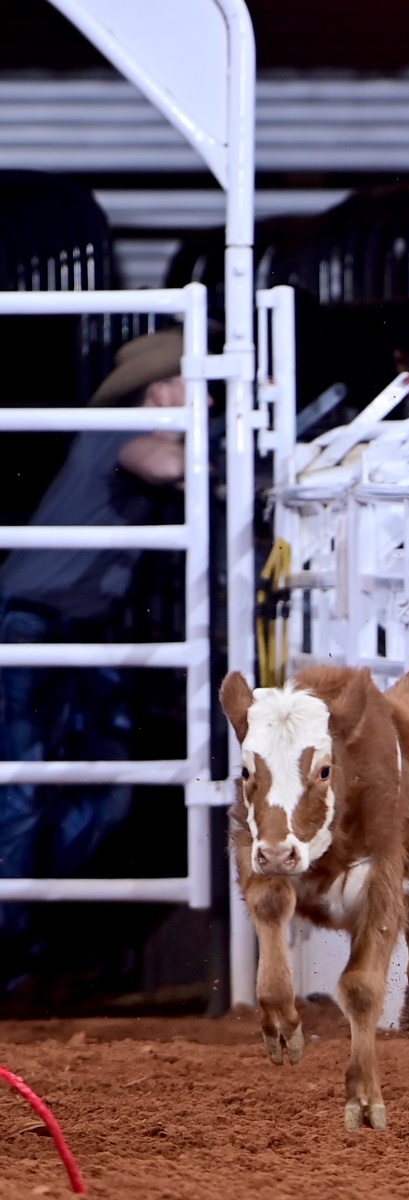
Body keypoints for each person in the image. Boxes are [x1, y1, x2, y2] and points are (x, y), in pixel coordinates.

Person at [0, 328, 191, 983]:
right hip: (33, 624)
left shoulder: (123, 434)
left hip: (73, 630)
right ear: (164, 391)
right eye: (198, 391)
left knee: (103, 787)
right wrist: (219, 455)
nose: (210, 406)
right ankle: (12, 947)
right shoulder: (117, 430)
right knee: (23, 788)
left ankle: (27, 936)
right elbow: (165, 464)